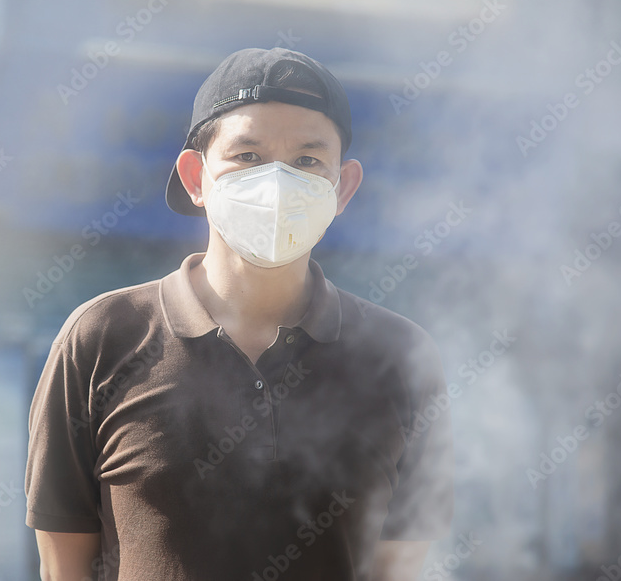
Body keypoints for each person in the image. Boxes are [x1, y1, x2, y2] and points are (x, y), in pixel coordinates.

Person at [25, 47, 454, 580]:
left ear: (342, 187)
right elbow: (62, 566)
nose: (277, 183)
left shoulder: (400, 357)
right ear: (195, 177)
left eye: (307, 161)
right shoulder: (101, 338)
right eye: (247, 156)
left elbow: (401, 568)